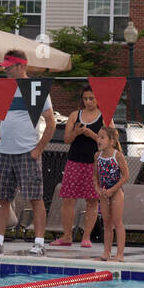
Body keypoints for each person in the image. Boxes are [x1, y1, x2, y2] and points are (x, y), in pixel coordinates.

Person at [0, 50, 55, 256]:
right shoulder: (3, 90)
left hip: (27, 152)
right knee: (2, 199)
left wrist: (38, 149)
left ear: (22, 66)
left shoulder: (36, 90)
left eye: (9, 66)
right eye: (4, 67)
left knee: (35, 198)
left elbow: (51, 122)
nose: (5, 70)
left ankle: (39, 243)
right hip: (5, 153)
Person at [54, 83, 102, 248]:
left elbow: (110, 141)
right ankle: (67, 236)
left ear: (98, 98)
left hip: (94, 164)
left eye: (91, 98)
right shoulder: (75, 115)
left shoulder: (105, 116)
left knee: (92, 200)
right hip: (74, 161)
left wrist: (91, 134)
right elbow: (66, 139)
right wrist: (76, 132)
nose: (88, 102)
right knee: (68, 198)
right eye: (85, 98)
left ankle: (86, 237)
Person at [94, 124, 126, 262]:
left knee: (117, 222)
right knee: (106, 223)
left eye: (102, 137)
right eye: (98, 137)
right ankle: (106, 252)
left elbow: (125, 176)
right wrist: (97, 188)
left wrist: (113, 190)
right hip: (104, 192)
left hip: (116, 192)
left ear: (112, 141)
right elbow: (95, 175)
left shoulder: (117, 155)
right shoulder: (97, 156)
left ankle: (120, 254)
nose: (98, 140)